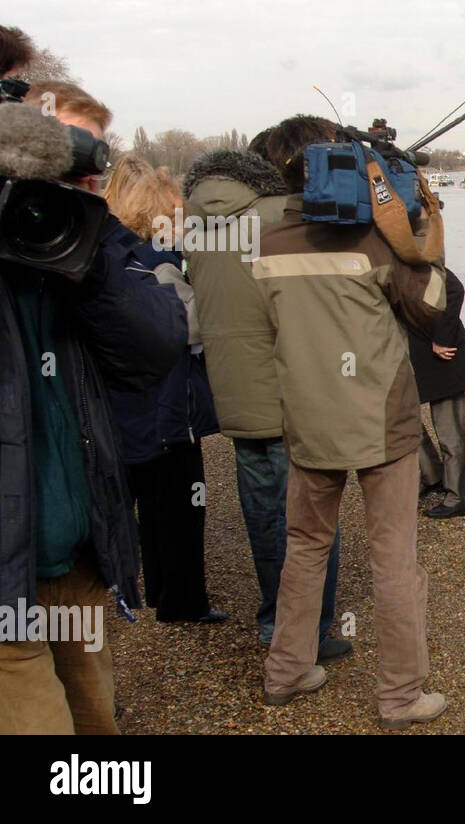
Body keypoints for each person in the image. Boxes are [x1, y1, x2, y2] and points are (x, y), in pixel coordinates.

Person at [0, 80, 187, 733]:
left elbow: (156, 346)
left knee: (94, 714)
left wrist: (88, 249)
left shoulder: (72, 240)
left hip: (75, 544)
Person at [252, 115, 448, 729]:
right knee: (394, 557)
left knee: (306, 547)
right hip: (381, 419)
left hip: (307, 420)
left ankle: (285, 671)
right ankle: (399, 695)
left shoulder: (268, 244)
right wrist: (420, 233)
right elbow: (432, 309)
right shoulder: (372, 239)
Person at [183, 148, 350, 660]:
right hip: (293, 396)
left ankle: (273, 620)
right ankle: (310, 634)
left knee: (264, 518)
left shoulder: (194, 231)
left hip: (236, 398)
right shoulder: (281, 217)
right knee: (311, 524)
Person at [103, 156, 223, 622]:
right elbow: (188, 327)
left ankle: (139, 591)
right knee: (180, 510)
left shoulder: (111, 258)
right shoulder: (158, 264)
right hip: (167, 408)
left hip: (124, 406)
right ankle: (181, 600)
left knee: (139, 505)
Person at [409, 268, 465, 519]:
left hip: (446, 359)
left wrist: (442, 338)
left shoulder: (414, 257)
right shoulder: (376, 257)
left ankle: (456, 498)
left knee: (449, 433)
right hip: (412, 360)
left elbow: (454, 289)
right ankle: (431, 474)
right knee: (401, 417)